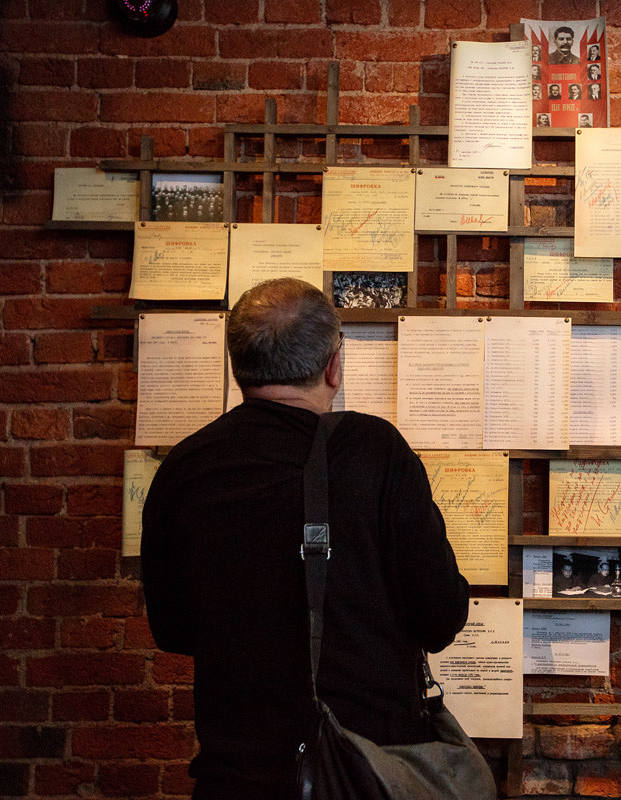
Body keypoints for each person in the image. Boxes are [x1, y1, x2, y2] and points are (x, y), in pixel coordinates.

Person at [141, 278, 470, 800]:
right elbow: (442, 614)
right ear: (334, 366)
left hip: (234, 777)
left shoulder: (183, 468)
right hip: (364, 772)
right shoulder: (375, 452)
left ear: (237, 366)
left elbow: (174, 630)